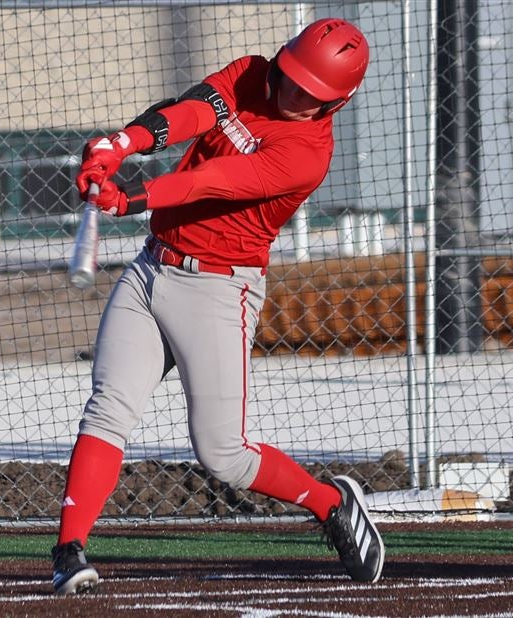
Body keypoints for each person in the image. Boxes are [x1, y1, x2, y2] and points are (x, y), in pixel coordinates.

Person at [51, 17, 384, 595]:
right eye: (290, 77)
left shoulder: (307, 153)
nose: (290, 93)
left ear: (335, 104)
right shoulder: (252, 75)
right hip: (153, 267)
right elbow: (191, 112)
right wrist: (119, 145)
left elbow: (213, 181)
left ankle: (333, 504)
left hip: (218, 291)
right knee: (107, 409)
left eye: (310, 93)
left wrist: (128, 195)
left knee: (223, 454)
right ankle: (69, 550)